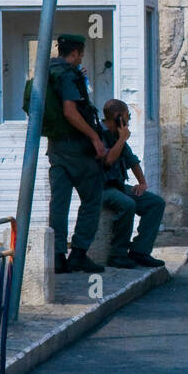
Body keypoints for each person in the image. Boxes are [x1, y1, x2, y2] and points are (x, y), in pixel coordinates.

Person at [45, 33, 107, 274]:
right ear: (77, 52)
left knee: (59, 203)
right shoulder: (68, 75)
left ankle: (58, 256)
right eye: (81, 53)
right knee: (92, 199)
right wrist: (94, 138)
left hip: (56, 147)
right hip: (77, 149)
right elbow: (71, 112)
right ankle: (79, 253)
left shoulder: (48, 70)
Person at [100, 100, 166, 269]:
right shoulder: (99, 134)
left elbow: (132, 161)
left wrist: (142, 182)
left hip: (118, 186)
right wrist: (122, 139)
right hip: (100, 188)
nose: (128, 120)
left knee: (155, 203)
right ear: (118, 117)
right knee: (127, 204)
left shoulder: (118, 135)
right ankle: (118, 254)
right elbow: (108, 161)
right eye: (127, 116)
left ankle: (140, 251)